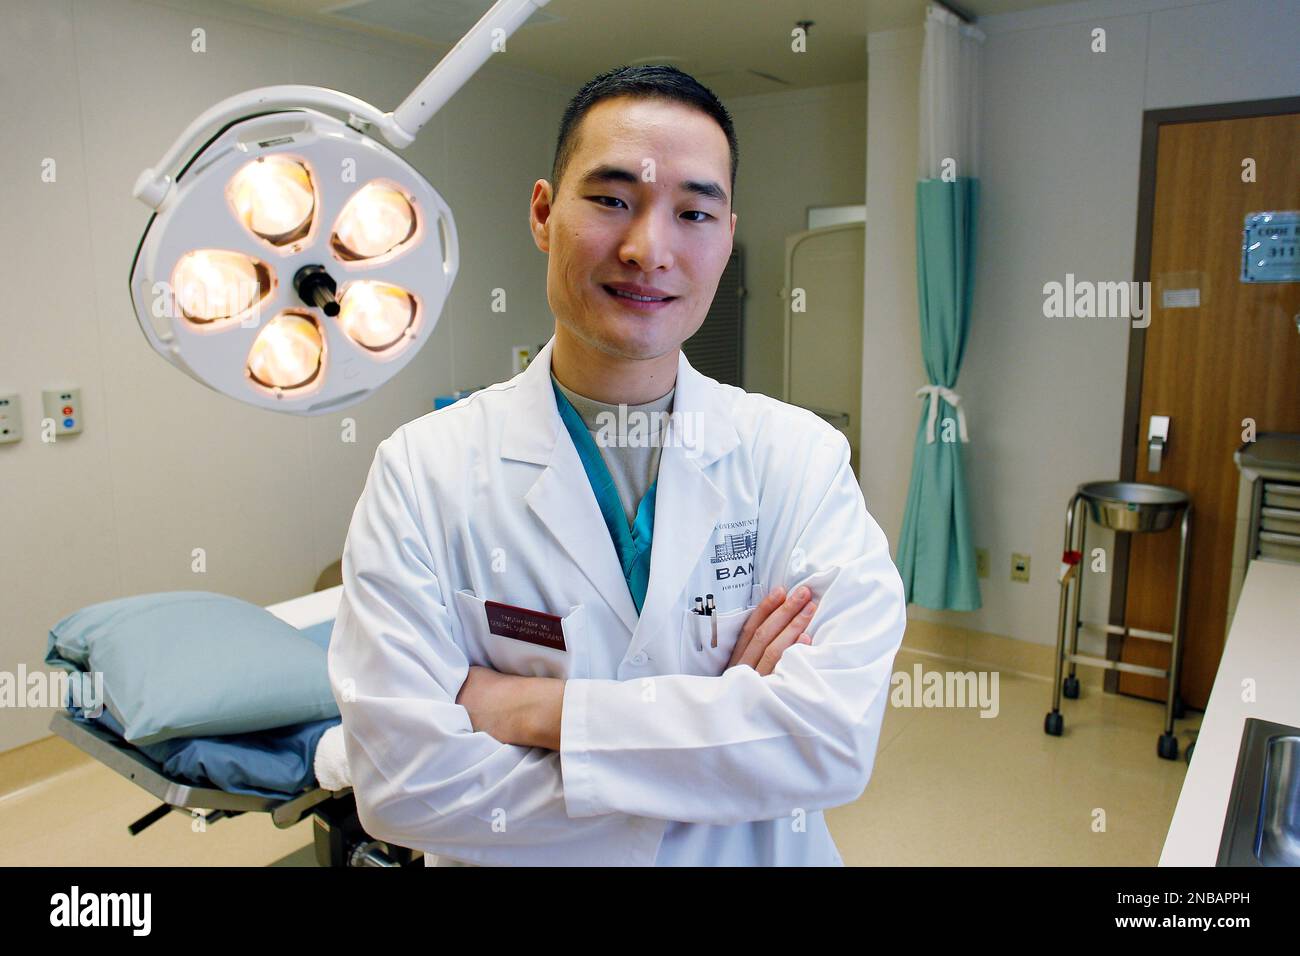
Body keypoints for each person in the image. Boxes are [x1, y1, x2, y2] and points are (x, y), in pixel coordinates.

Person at [327, 64, 906, 866]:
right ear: (542, 213)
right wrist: (722, 751)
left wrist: (536, 714)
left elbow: (830, 742)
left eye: (694, 212)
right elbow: (404, 788)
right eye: (610, 200)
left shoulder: (798, 459)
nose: (648, 249)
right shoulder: (421, 472)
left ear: (726, 234)